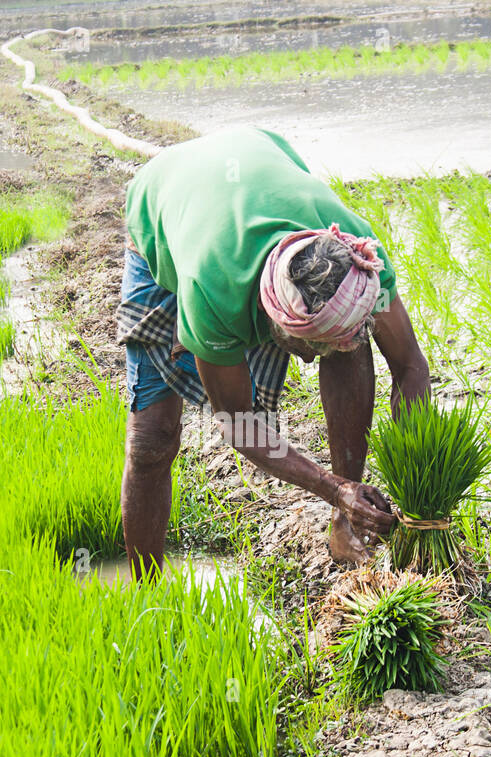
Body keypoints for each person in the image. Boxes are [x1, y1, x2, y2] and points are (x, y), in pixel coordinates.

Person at [117, 126, 431, 580]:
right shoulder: (212, 288)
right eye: (312, 349)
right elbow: (238, 422)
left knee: (350, 346)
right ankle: (146, 588)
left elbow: (410, 368)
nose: (311, 360)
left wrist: (414, 489)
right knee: (152, 439)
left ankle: (344, 526)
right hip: (165, 209)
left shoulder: (359, 258)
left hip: (256, 157)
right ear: (278, 323)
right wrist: (333, 487)